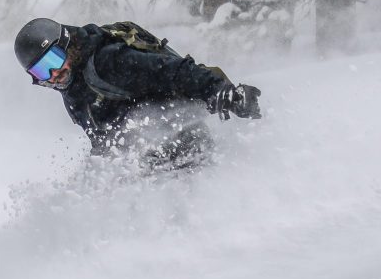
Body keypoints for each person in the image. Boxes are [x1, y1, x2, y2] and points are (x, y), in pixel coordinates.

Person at [14, 18, 261, 169]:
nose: (53, 73)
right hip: (144, 162)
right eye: (41, 71)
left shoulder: (107, 60)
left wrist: (220, 91)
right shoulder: (73, 96)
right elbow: (101, 139)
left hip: (182, 139)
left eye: (54, 59)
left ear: (67, 45)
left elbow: (172, 71)